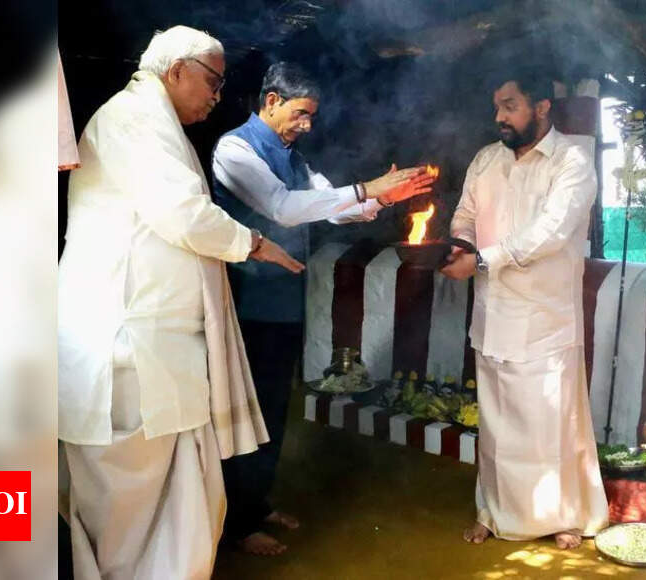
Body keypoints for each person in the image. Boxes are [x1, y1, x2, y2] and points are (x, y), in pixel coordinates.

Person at [58, 26, 302, 579]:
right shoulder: (132, 119)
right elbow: (183, 214)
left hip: (155, 348)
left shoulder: (153, 122)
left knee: (172, 492)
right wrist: (255, 244)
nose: (217, 96)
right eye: (213, 82)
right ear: (176, 70)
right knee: (125, 496)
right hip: (129, 344)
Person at [212, 61, 434, 556]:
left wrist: (382, 199)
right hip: (244, 303)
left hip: (283, 302)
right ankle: (236, 522)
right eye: (301, 113)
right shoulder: (235, 149)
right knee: (240, 414)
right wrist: (367, 189)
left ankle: (257, 502)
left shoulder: (293, 155)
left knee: (272, 411)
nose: (307, 124)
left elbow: (329, 203)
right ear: (271, 102)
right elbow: (284, 208)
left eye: (311, 115)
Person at [440, 71, 609, 550]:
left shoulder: (572, 161)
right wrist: (460, 244)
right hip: (493, 316)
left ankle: (562, 515)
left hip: (544, 317)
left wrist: (483, 259)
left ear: (541, 108)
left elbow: (551, 232)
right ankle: (493, 512)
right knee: (495, 427)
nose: (500, 117)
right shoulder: (486, 160)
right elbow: (466, 216)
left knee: (548, 424)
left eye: (510, 105)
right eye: (497, 106)